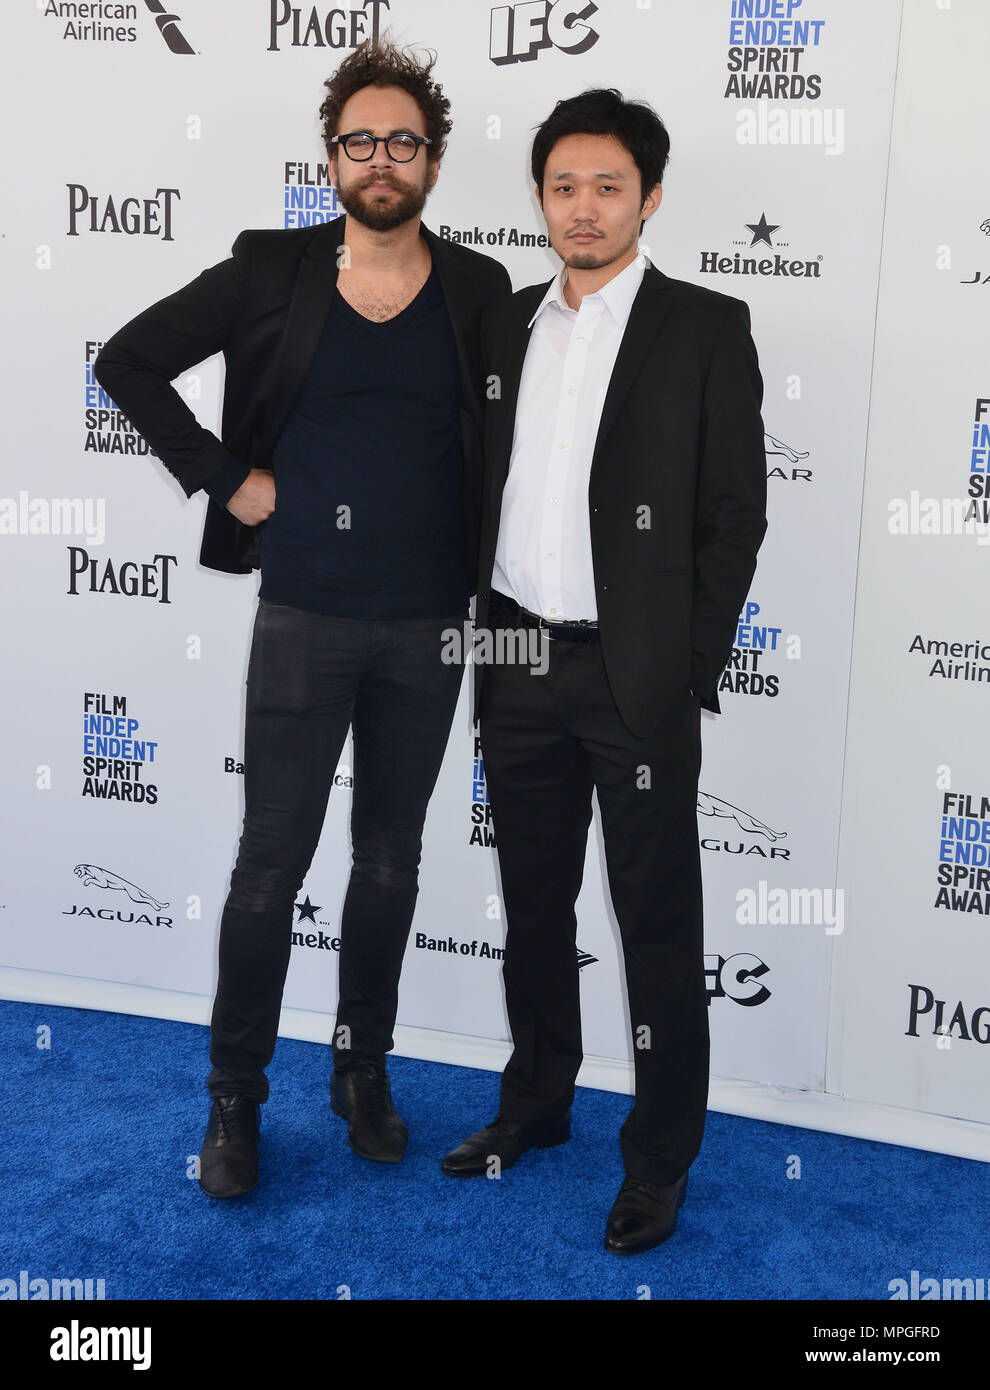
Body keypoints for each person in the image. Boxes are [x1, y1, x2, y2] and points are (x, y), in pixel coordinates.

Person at [94, 40, 510, 1198]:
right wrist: (224, 476)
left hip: (430, 624)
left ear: (432, 159)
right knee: (269, 863)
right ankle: (235, 1100)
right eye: (360, 140)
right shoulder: (270, 270)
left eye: (404, 142)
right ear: (331, 156)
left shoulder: (479, 292)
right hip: (305, 619)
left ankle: (360, 1068)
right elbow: (127, 360)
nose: (382, 160)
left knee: (389, 860)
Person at [441, 88, 767, 1254]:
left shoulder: (706, 327)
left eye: (609, 187)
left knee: (657, 926)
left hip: (637, 680)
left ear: (652, 196)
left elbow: (735, 515)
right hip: (516, 653)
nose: (584, 208)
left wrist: (681, 667)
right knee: (535, 907)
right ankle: (536, 1102)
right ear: (541, 197)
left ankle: (660, 1155)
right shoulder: (507, 324)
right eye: (564, 187)